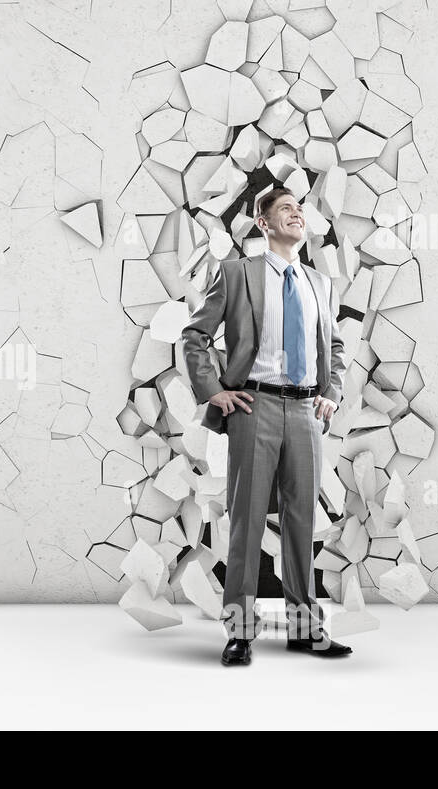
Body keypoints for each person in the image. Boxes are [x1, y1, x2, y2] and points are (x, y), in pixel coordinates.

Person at [180, 185, 352, 665]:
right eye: (285, 209)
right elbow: (195, 334)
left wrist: (331, 393)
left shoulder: (320, 283)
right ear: (263, 223)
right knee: (247, 523)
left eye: (300, 208)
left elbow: (334, 348)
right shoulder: (237, 274)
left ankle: (306, 630)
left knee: (302, 522)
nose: (297, 214)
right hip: (252, 408)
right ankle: (239, 632)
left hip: (304, 412)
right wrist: (213, 389)